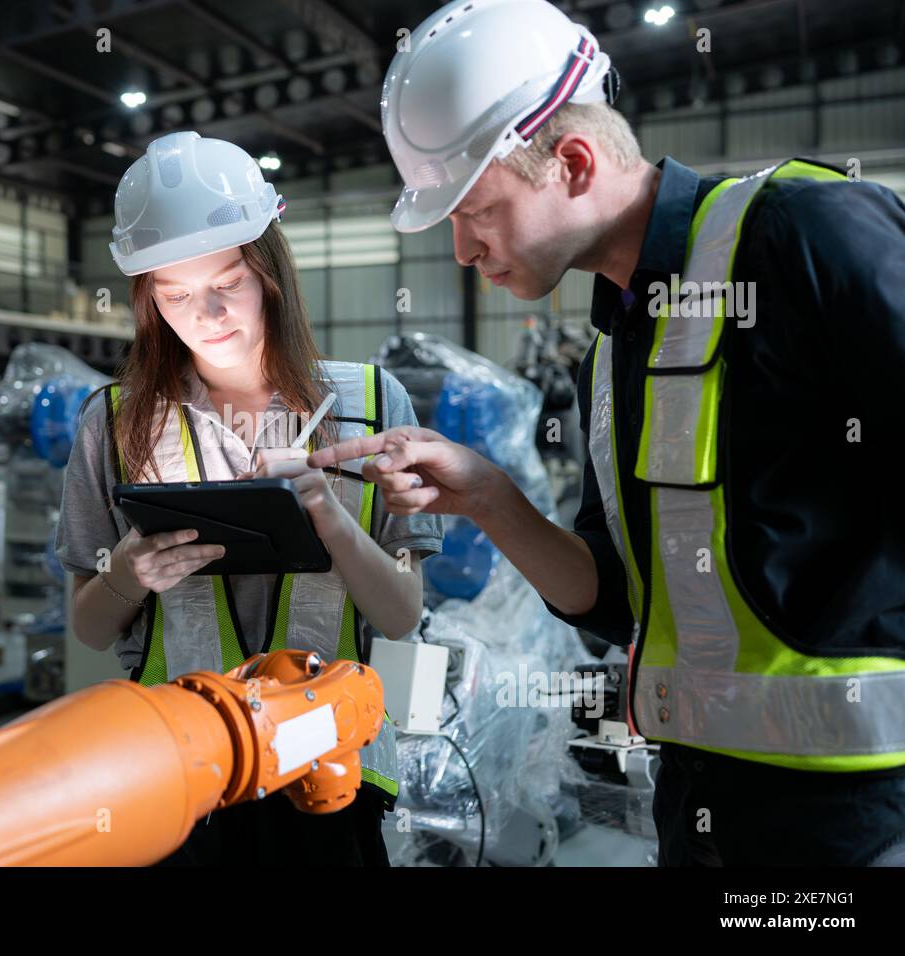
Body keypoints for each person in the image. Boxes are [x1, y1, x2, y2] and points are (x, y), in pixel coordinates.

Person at [309, 0, 905, 866]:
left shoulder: (803, 233)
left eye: (475, 213)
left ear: (573, 163)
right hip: (700, 808)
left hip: (861, 816)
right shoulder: (616, 349)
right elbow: (613, 598)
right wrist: (485, 495)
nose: (465, 253)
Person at [55, 131, 443, 866]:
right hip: (184, 771)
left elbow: (399, 614)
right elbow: (90, 629)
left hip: (331, 768)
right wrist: (126, 576)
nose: (205, 313)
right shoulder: (113, 421)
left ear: (267, 271)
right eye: (174, 295)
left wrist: (330, 517)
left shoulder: (369, 403)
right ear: (147, 300)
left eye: (226, 283)